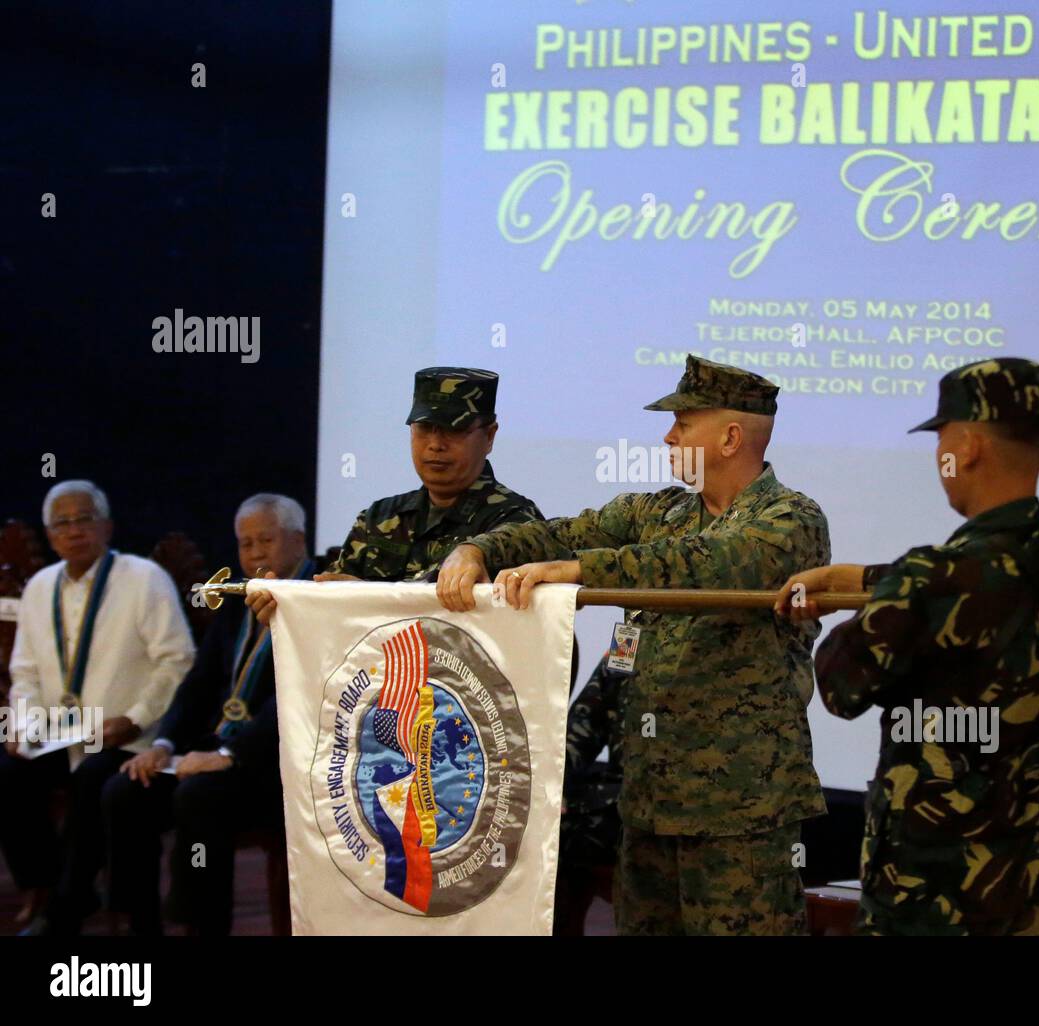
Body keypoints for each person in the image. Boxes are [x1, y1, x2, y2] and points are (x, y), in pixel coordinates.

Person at [437, 355, 831, 936]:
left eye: (683, 422)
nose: (668, 435)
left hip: (741, 812)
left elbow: (711, 566)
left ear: (729, 436)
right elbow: (555, 532)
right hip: (648, 804)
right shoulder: (655, 512)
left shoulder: (790, 519)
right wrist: (478, 550)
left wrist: (580, 571)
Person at [776, 357, 1039, 936]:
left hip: (934, 868)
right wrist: (865, 578)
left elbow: (841, 687)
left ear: (966, 446)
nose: (938, 451)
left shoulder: (931, 576)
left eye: (942, 435)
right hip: (1026, 846)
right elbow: (984, 577)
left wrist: (849, 605)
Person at [104, 494, 313, 935]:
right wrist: (162, 746)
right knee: (125, 790)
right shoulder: (239, 598)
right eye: (246, 543)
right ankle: (141, 924)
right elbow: (198, 685)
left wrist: (232, 755)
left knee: (199, 797)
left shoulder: (319, 601)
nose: (255, 553)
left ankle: (203, 927)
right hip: (215, 751)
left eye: (266, 540)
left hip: (276, 763)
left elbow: (303, 697)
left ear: (298, 540)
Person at [0, 480, 194, 934]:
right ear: (50, 535)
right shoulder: (39, 588)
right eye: (62, 523)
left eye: (84, 519)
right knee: (7, 772)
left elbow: (178, 662)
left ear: (107, 526)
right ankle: (49, 886)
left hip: (129, 736)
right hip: (60, 732)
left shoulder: (143, 578)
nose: (74, 530)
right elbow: (23, 672)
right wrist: (24, 725)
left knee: (92, 776)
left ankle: (67, 905)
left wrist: (136, 718)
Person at [248, 367, 541, 626]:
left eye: (455, 430)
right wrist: (288, 608)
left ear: (489, 436)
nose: (435, 445)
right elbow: (331, 620)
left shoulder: (519, 523)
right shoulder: (378, 519)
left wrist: (366, 599)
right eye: (425, 429)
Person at [553, 654, 630, 935]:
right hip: (625, 802)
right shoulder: (631, 635)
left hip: (709, 803)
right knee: (537, 828)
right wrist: (549, 787)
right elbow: (582, 726)